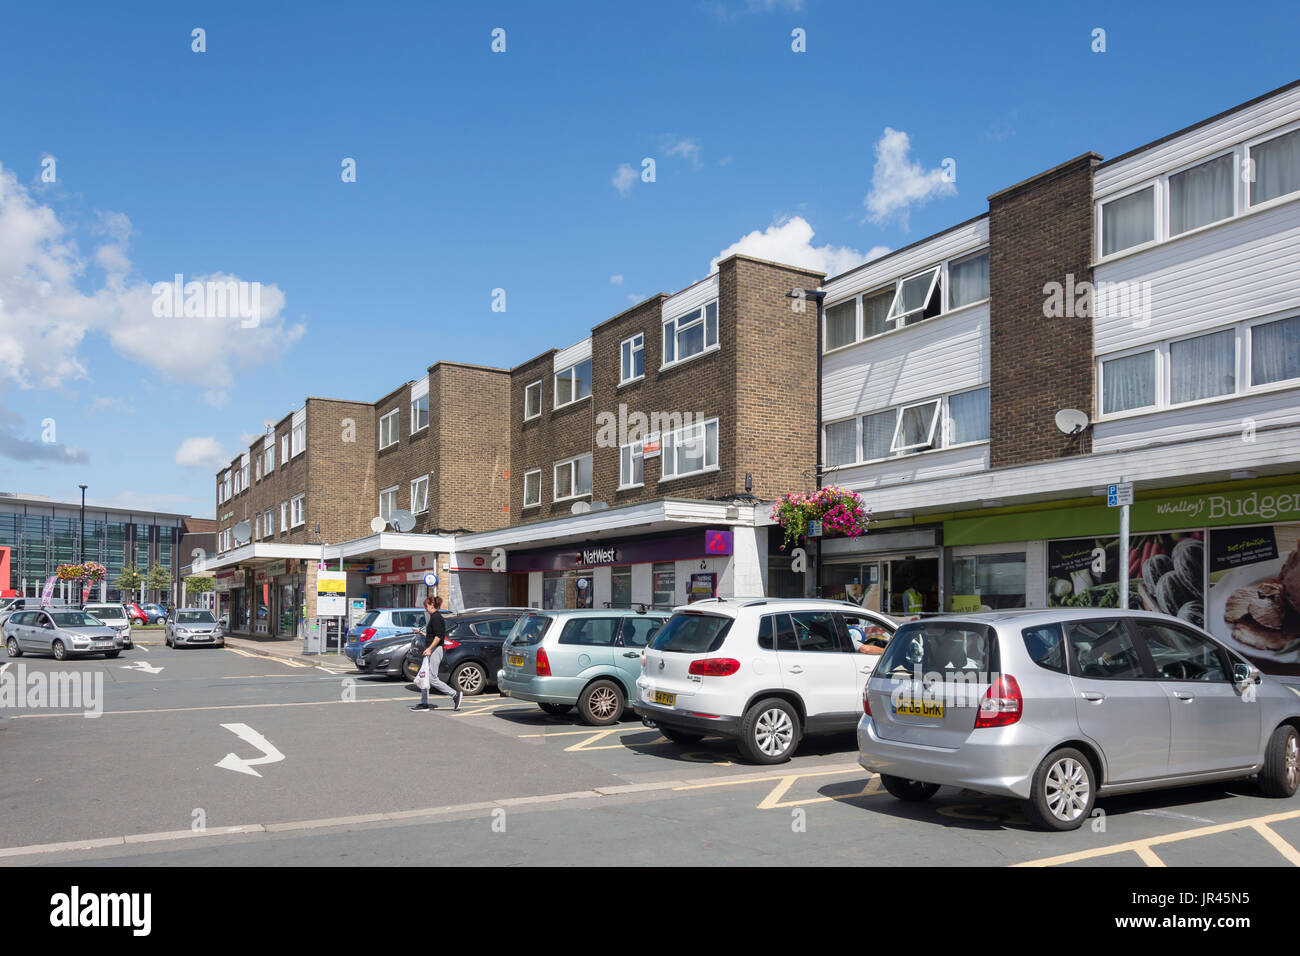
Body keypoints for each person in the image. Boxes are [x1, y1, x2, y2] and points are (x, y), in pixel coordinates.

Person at [410, 594, 461, 712]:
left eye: (426, 605)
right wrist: (422, 633)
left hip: (435, 650)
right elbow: (434, 635)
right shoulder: (434, 617)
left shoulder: (436, 617)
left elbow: (439, 636)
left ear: (432, 605)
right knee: (425, 676)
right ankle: (424, 703)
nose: (425, 608)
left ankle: (455, 694)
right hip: (431, 650)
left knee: (432, 678)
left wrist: (429, 649)